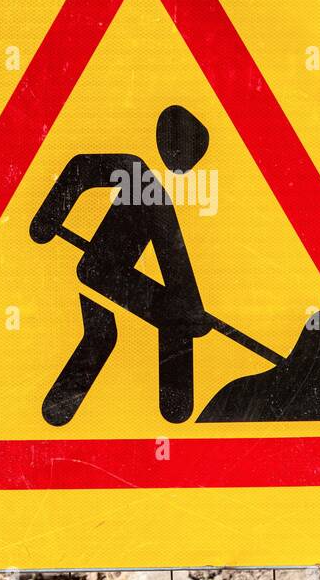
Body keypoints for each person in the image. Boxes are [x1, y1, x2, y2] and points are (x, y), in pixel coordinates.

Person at [30, 105, 211, 425]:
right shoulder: (139, 174)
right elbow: (80, 170)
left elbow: (173, 257)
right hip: (101, 269)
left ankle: (176, 399)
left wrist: (190, 308)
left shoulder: (154, 192)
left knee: (158, 322)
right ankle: (174, 399)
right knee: (111, 332)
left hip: (109, 274)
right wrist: (48, 217)